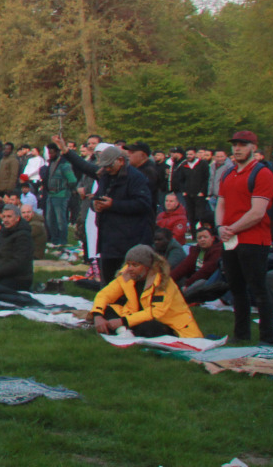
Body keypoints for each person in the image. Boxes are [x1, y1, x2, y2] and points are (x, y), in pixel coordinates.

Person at [54, 138, 154, 283]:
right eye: (104, 166)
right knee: (107, 279)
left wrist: (113, 205)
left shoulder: (136, 178)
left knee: (128, 281)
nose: (106, 169)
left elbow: (143, 204)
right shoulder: (105, 174)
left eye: (109, 166)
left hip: (129, 236)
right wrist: (96, 203)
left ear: (120, 160)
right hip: (107, 237)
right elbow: (85, 166)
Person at [216, 130, 273, 345]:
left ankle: (267, 339)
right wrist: (220, 226)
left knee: (259, 289)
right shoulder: (228, 173)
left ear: (253, 147)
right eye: (235, 144)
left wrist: (230, 228)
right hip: (231, 238)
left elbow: (257, 212)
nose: (237, 148)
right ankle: (241, 335)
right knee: (236, 288)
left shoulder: (262, 173)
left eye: (243, 144)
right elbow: (221, 202)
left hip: (253, 239)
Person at [90, 244, 204, 338]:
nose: (130, 268)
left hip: (166, 322)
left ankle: (123, 330)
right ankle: (123, 331)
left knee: (149, 328)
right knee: (106, 309)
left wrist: (123, 321)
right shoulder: (126, 275)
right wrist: (97, 315)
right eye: (128, 264)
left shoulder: (163, 282)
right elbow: (105, 294)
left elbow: (156, 313)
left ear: (147, 267)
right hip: (136, 316)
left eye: (135, 265)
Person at [43, 143, 76, 246]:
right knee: (50, 219)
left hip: (61, 195)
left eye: (52, 153)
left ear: (58, 152)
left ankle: (62, 241)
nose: (50, 155)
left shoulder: (64, 165)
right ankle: (54, 240)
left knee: (61, 220)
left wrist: (64, 188)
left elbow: (72, 180)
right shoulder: (51, 163)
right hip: (51, 195)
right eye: (49, 153)